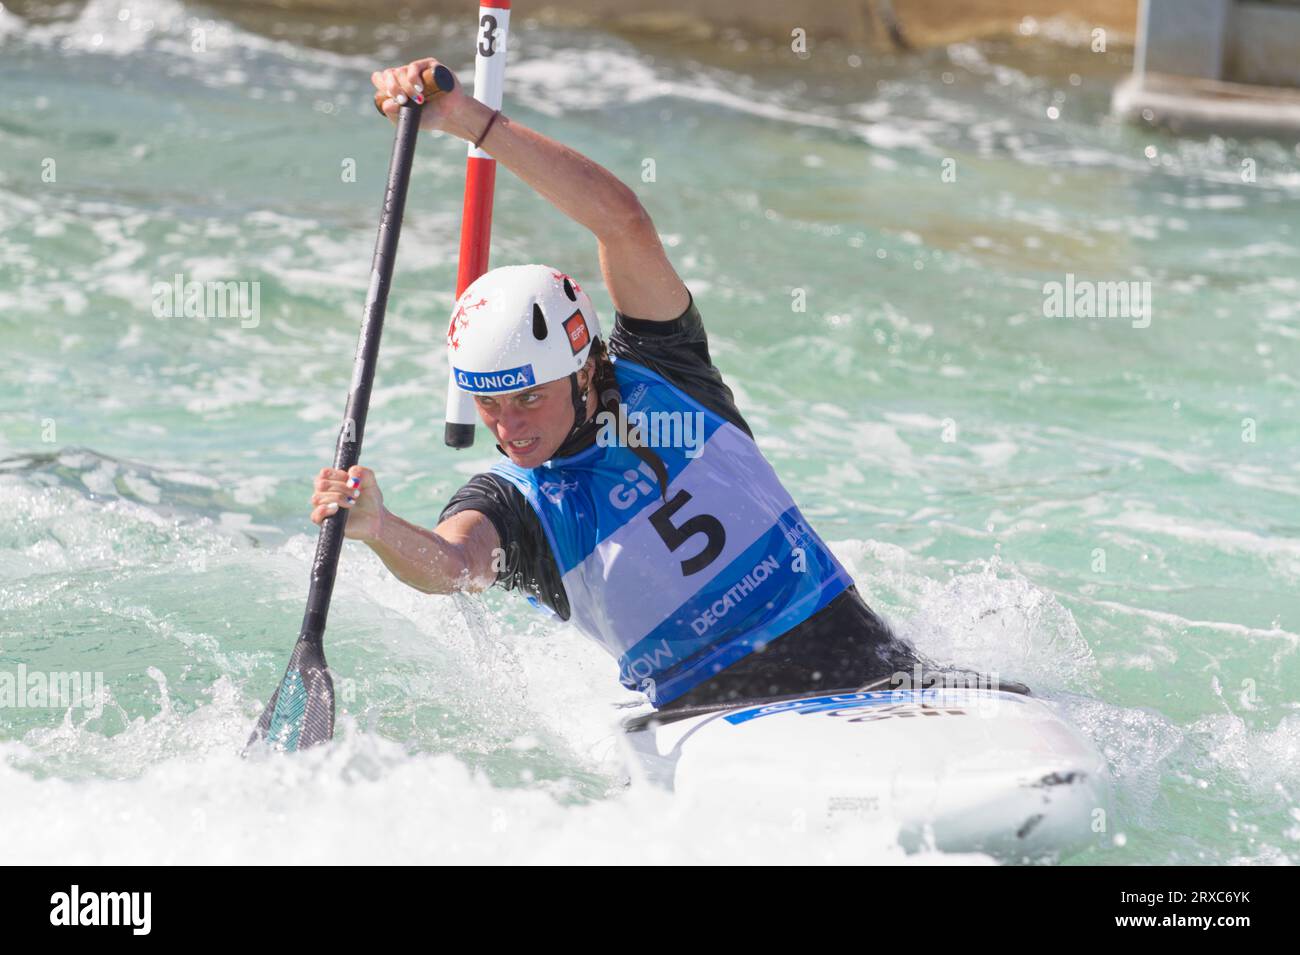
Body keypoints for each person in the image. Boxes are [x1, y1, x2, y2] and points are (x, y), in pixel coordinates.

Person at [310, 56, 921, 711]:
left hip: (869, 659)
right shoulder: (516, 508)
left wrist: (470, 122)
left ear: (583, 367)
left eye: (528, 398)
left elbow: (621, 221)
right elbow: (454, 564)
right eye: (488, 404)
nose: (509, 427)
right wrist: (378, 527)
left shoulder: (666, 369)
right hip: (718, 722)